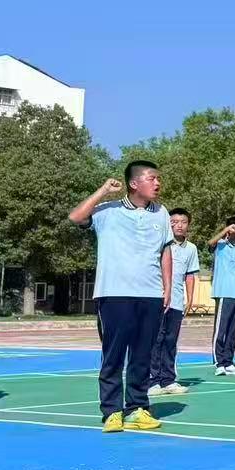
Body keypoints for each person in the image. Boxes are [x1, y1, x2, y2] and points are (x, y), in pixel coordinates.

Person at [69, 162, 173, 431]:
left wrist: (167, 287)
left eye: (158, 179)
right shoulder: (108, 210)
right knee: (113, 355)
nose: (158, 183)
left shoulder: (161, 213)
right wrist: (103, 190)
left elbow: (165, 251)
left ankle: (138, 408)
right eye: (152, 178)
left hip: (150, 294)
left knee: (142, 355)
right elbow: (76, 217)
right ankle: (112, 411)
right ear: (134, 183)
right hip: (114, 293)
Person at [148, 208, 199, 397]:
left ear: (188, 225)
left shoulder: (191, 249)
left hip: (177, 302)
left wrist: (190, 298)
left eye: (183, 222)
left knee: (170, 342)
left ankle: (168, 380)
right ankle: (152, 381)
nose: (179, 225)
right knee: (155, 341)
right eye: (174, 222)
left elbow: (190, 275)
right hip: (157, 301)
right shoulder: (159, 242)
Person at [208, 217, 235, 376]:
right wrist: (225, 231)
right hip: (224, 292)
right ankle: (219, 363)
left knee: (233, 330)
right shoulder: (221, 245)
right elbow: (210, 243)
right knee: (221, 329)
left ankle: (229, 362)